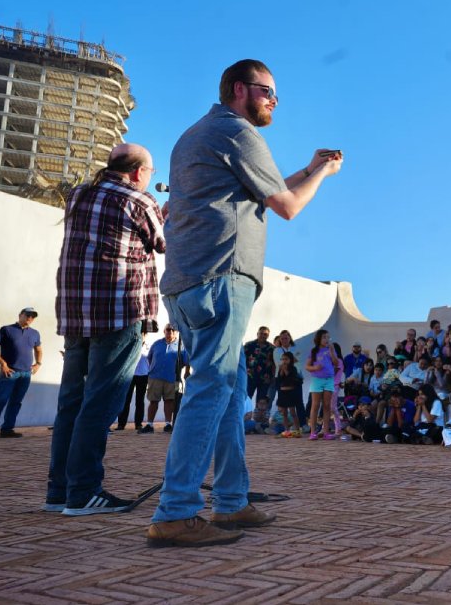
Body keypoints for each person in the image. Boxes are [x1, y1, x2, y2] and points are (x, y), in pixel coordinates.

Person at [148, 59, 345, 547]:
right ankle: (175, 511)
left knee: (230, 392)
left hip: (187, 282)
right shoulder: (239, 132)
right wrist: (323, 174)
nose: (274, 101)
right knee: (212, 389)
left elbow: (265, 189)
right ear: (239, 89)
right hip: (221, 278)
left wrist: (309, 167)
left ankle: (231, 501)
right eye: (267, 91)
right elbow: (287, 206)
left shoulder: (198, 133)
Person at [45, 143, 163, 517]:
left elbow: (115, 235)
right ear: (138, 172)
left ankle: (59, 491)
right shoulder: (140, 201)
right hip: (118, 312)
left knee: (71, 402)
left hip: (76, 313)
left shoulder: (79, 195)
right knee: (100, 403)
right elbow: (163, 242)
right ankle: (83, 492)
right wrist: (169, 213)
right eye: (151, 173)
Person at [0, 307, 43, 439]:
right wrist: (3, 363)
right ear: (20, 315)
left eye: (33, 316)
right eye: (27, 315)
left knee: (16, 402)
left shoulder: (35, 333)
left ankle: (7, 430)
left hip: (26, 374)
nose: (30, 318)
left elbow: (38, 350)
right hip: (9, 372)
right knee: (1, 400)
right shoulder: (6, 330)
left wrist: (38, 364)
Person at [141, 325, 189, 433]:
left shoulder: (181, 346)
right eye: (168, 329)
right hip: (155, 377)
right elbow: (149, 358)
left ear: (176, 332)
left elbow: (187, 361)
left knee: (169, 401)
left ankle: (168, 424)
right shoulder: (157, 344)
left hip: (172, 378)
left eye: (173, 330)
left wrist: (186, 372)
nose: (170, 331)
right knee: (153, 401)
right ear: (164, 331)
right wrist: (152, 370)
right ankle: (149, 425)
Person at [305, 329, 344, 440]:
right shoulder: (313, 351)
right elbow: (307, 366)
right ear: (318, 339)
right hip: (317, 380)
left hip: (329, 380)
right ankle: (313, 432)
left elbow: (336, 363)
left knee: (327, 405)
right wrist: (315, 368)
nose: (326, 339)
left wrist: (332, 351)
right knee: (315, 405)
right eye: (324, 337)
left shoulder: (330, 349)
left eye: (328, 337)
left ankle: (326, 432)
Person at [117, 345, 150, 432]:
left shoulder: (148, 347)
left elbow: (151, 360)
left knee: (140, 400)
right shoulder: (130, 343)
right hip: (129, 374)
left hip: (143, 375)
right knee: (125, 400)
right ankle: (121, 423)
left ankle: (138, 423)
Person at [274, 352, 303, 438]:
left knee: (293, 412)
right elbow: (279, 380)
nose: (284, 361)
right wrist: (281, 371)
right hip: (282, 393)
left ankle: (297, 430)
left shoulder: (293, 369)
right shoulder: (280, 369)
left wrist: (285, 370)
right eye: (282, 359)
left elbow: (291, 379)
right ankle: (286, 430)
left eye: (286, 359)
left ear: (290, 360)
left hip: (290, 393)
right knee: (284, 413)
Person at [243, 327, 276, 402]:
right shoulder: (249, 345)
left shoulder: (272, 348)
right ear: (257, 334)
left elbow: (274, 363)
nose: (263, 335)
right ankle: (246, 410)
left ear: (268, 336)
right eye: (261, 333)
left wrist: (273, 377)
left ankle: (258, 410)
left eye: (265, 334)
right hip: (250, 377)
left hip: (265, 379)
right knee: (246, 399)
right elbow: (242, 359)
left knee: (261, 401)